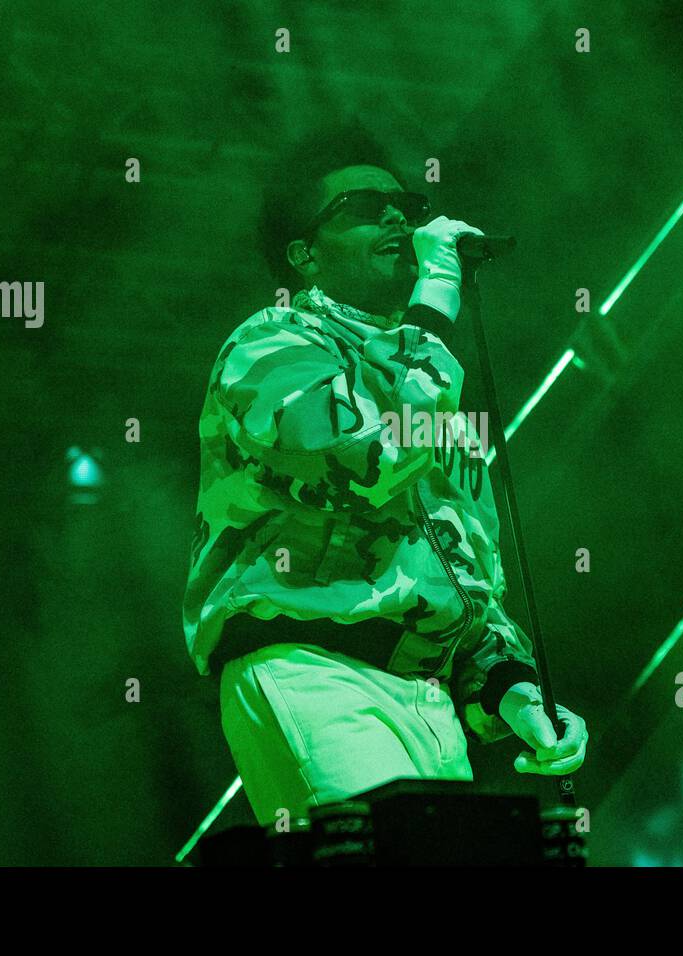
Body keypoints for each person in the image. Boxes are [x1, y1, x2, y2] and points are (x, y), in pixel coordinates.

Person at [182, 121, 587, 826]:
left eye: (404, 204)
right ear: (304, 254)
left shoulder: (438, 390)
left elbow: (469, 578)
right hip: (314, 670)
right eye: (365, 208)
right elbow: (367, 461)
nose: (398, 215)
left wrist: (515, 693)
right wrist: (433, 308)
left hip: (427, 699)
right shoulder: (272, 345)